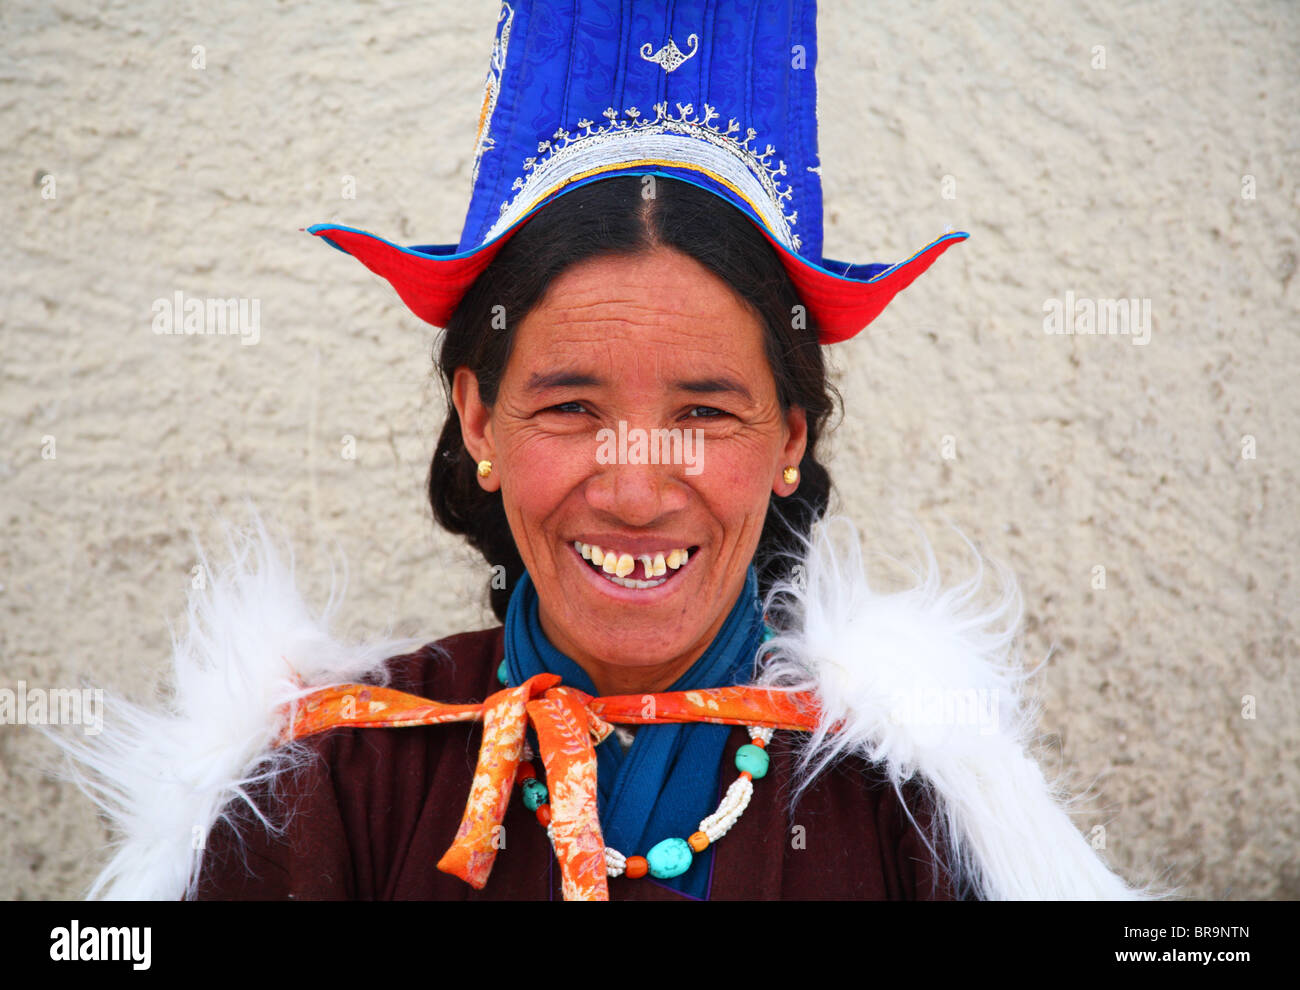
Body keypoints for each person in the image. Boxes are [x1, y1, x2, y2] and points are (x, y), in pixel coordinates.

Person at [54, 0, 1149, 901]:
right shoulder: (333, 779)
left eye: (705, 413)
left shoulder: (905, 807)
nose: (632, 487)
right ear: (478, 421)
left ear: (789, 440)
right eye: (571, 407)